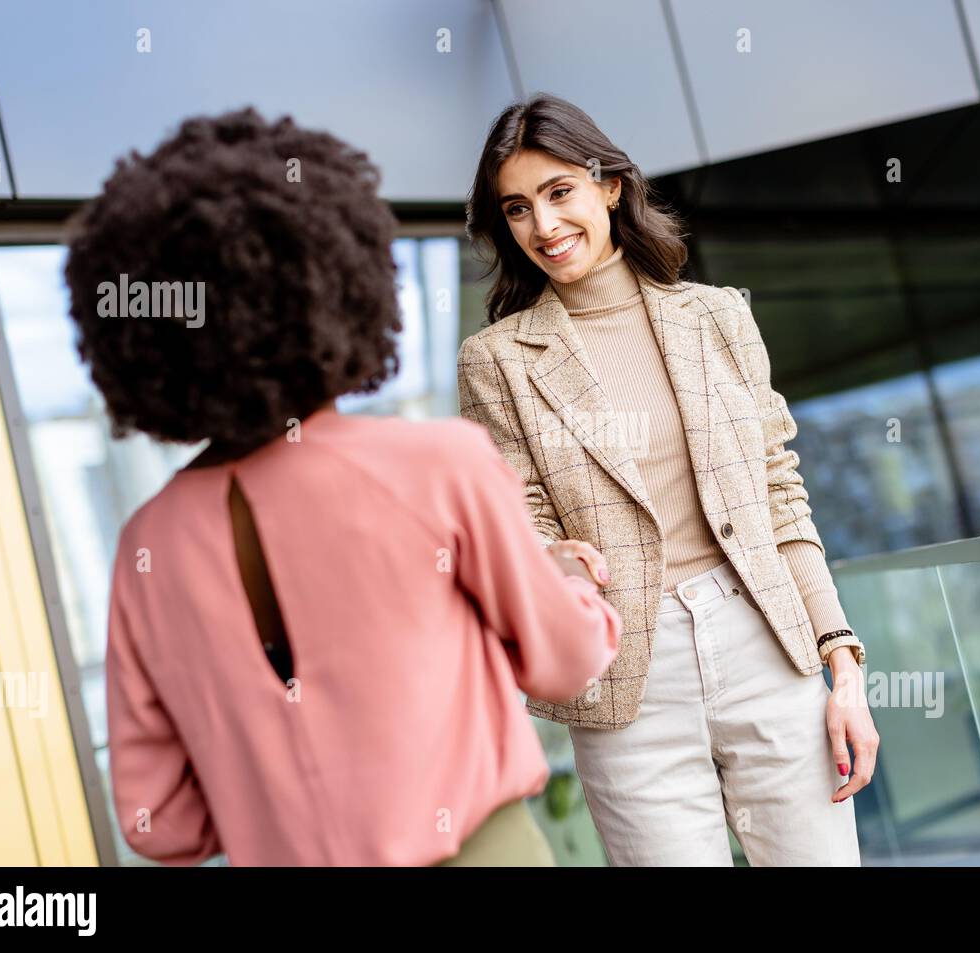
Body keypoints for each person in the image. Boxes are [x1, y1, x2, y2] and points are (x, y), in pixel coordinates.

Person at [66, 107, 621, 866]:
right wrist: (571, 579)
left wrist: (265, 787)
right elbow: (566, 660)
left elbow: (156, 820)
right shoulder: (437, 465)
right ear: (337, 278)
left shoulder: (148, 546)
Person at [457, 94, 877, 866]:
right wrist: (551, 560)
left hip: (764, 646)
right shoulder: (498, 361)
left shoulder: (716, 317)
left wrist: (841, 662)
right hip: (624, 678)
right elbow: (517, 516)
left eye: (559, 194)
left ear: (609, 186)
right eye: (517, 209)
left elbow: (780, 495)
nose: (544, 227)